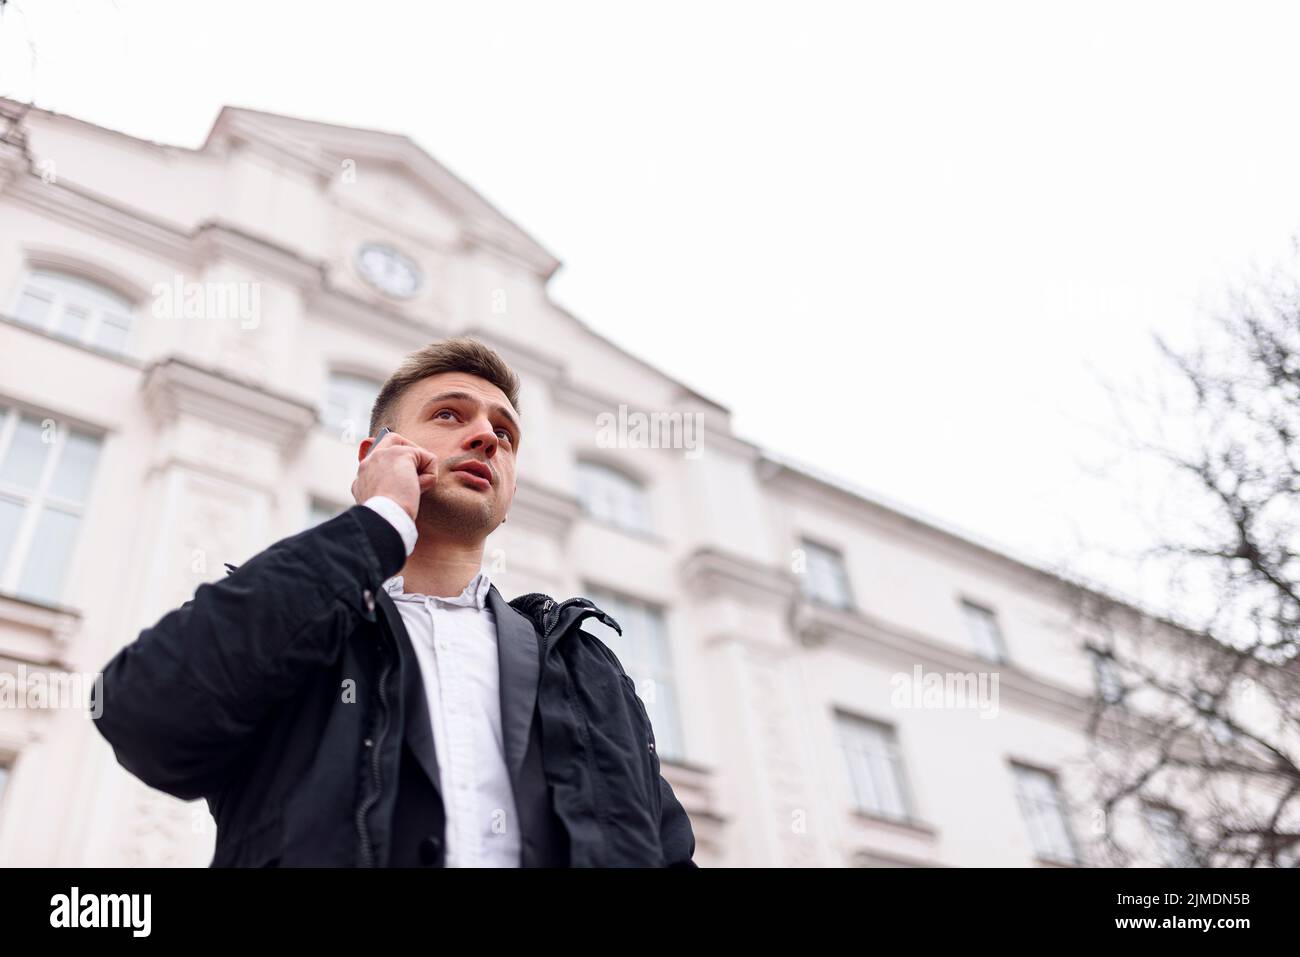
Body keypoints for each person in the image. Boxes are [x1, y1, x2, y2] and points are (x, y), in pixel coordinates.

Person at [91, 336, 697, 867]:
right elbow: (145, 716)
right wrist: (377, 521)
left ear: (509, 494)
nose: (486, 436)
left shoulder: (584, 670)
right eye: (449, 414)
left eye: (505, 433)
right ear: (378, 456)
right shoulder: (298, 626)